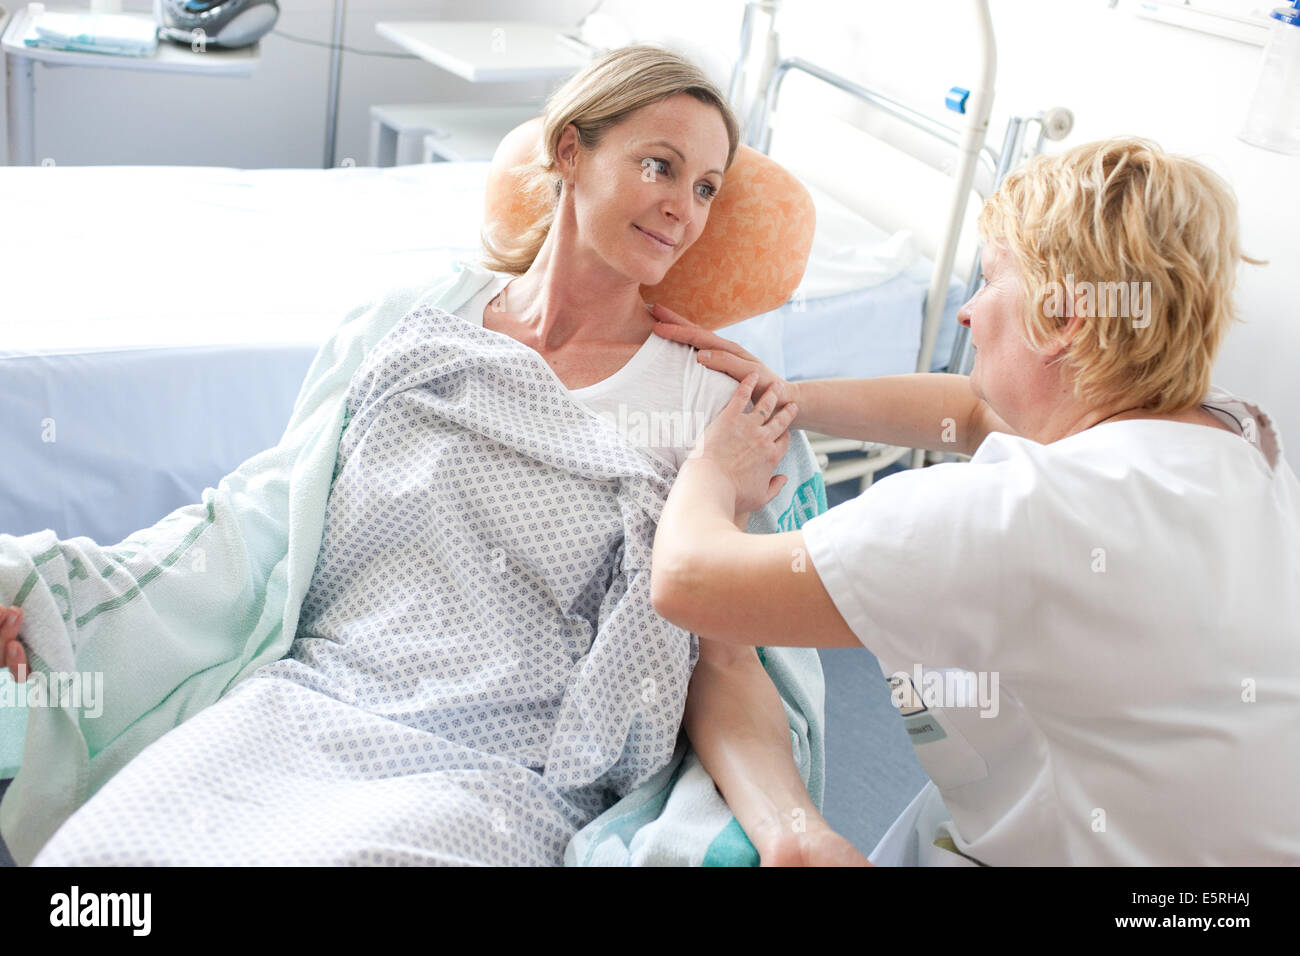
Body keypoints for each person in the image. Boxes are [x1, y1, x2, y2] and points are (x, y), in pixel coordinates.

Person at [0, 44, 768, 867]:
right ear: (571, 151)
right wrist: (42, 586)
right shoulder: (417, 317)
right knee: (99, 861)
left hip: (497, 769)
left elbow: (729, 651)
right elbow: (264, 511)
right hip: (310, 704)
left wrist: (792, 823)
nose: (684, 210)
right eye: (661, 166)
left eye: (706, 189)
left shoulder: (703, 399)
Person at [649, 137, 1300, 865]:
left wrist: (717, 458)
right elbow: (982, 413)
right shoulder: (1240, 437)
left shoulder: (1014, 517)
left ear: (1063, 320)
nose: (967, 314)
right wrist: (788, 396)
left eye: (990, 281)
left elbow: (688, 580)